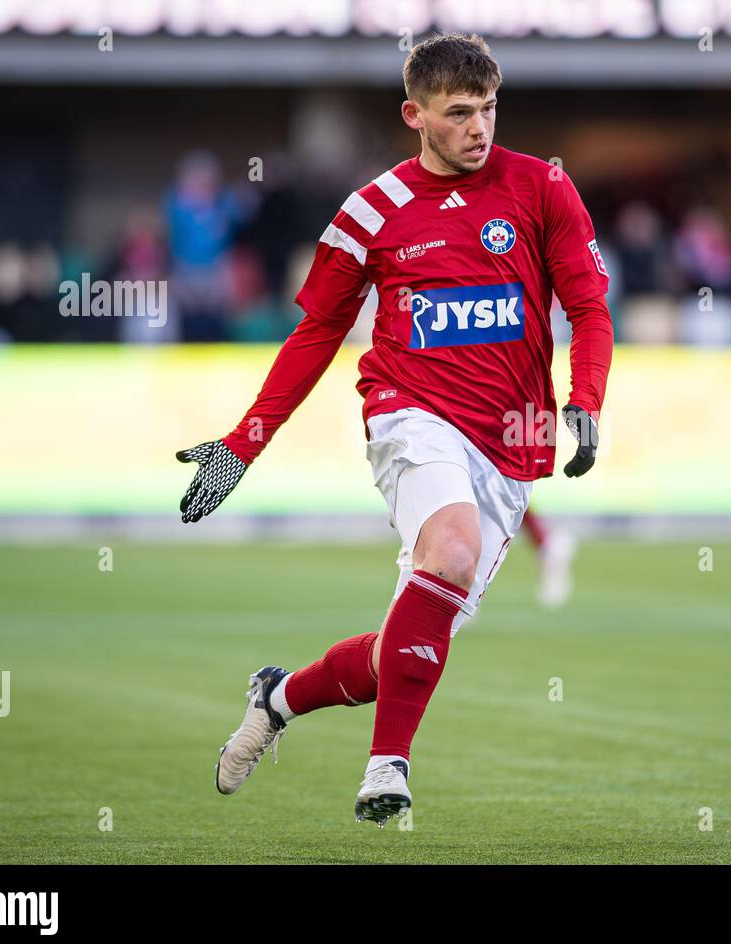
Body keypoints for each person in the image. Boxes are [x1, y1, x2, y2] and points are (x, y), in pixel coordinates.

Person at [177, 33, 613, 825]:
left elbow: (588, 307)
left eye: (488, 109)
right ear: (414, 115)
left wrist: (586, 397)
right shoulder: (370, 211)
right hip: (409, 413)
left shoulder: (543, 187)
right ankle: (388, 765)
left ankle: (277, 697)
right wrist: (243, 442)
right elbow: (315, 335)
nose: (479, 128)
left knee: (401, 648)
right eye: (458, 114)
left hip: (510, 441)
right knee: (448, 549)